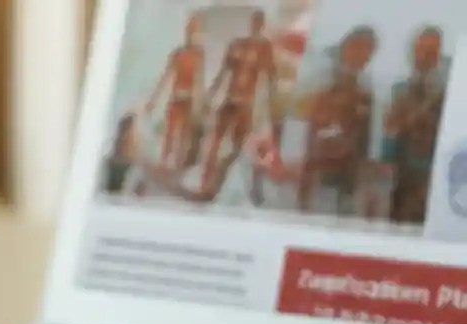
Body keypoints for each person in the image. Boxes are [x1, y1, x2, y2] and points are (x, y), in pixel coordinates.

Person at [297, 26, 377, 215]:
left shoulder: (366, 89)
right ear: (346, 47)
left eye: (368, 51)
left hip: (347, 172)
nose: (363, 55)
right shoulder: (320, 77)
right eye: (358, 48)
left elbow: (365, 133)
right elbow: (304, 115)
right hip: (317, 167)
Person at [202, 9, 280, 192]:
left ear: (263, 25)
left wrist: (272, 108)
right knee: (215, 141)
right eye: (254, 21)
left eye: (259, 22)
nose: (256, 25)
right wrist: (210, 96)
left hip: (246, 104)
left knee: (237, 146)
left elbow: (271, 78)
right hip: (230, 100)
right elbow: (223, 72)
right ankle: (205, 181)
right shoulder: (237, 44)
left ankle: (221, 182)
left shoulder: (265, 48)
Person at [383, 26, 446, 224]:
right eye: (421, 50)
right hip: (399, 181)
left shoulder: (448, 95)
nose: (425, 56)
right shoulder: (399, 90)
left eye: (432, 51)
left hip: (433, 184)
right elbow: (389, 131)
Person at [145, 15, 206, 169]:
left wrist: (200, 105)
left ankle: (178, 166)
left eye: (196, 31)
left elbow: (200, 81)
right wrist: (153, 100)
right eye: (191, 30)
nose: (194, 35)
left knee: (184, 137)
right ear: (187, 32)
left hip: (190, 102)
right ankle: (164, 164)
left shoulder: (199, 55)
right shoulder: (178, 54)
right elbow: (165, 78)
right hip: (176, 100)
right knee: (170, 135)